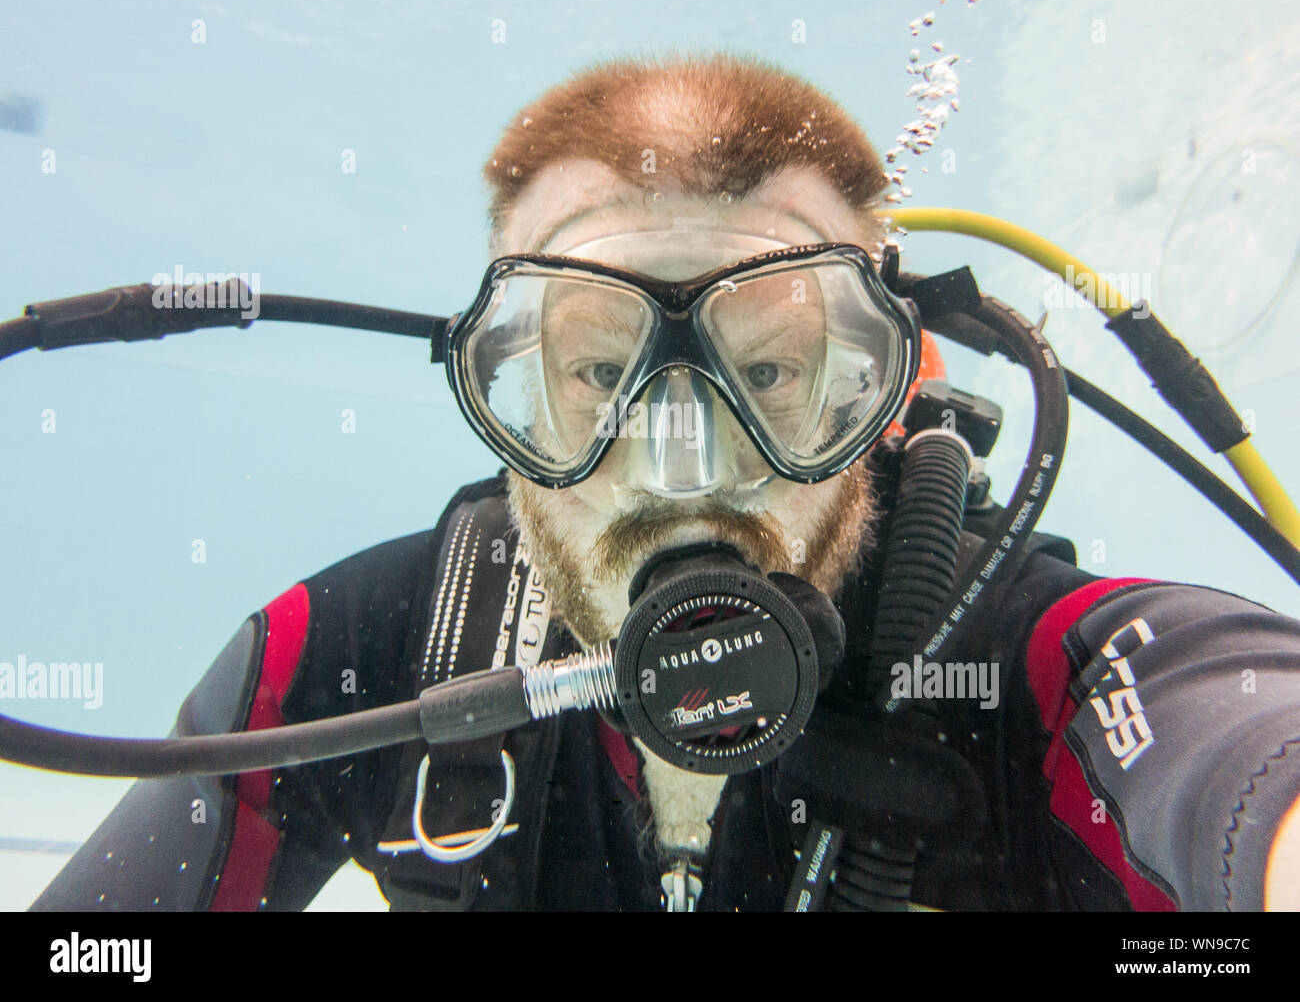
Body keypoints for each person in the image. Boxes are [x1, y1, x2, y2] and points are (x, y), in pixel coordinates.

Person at [31, 54, 1300, 912]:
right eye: (595, 373)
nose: (681, 462)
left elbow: (1242, 745)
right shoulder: (360, 664)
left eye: (776, 370)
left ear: (886, 389)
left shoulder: (1050, 672)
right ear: (499, 387)